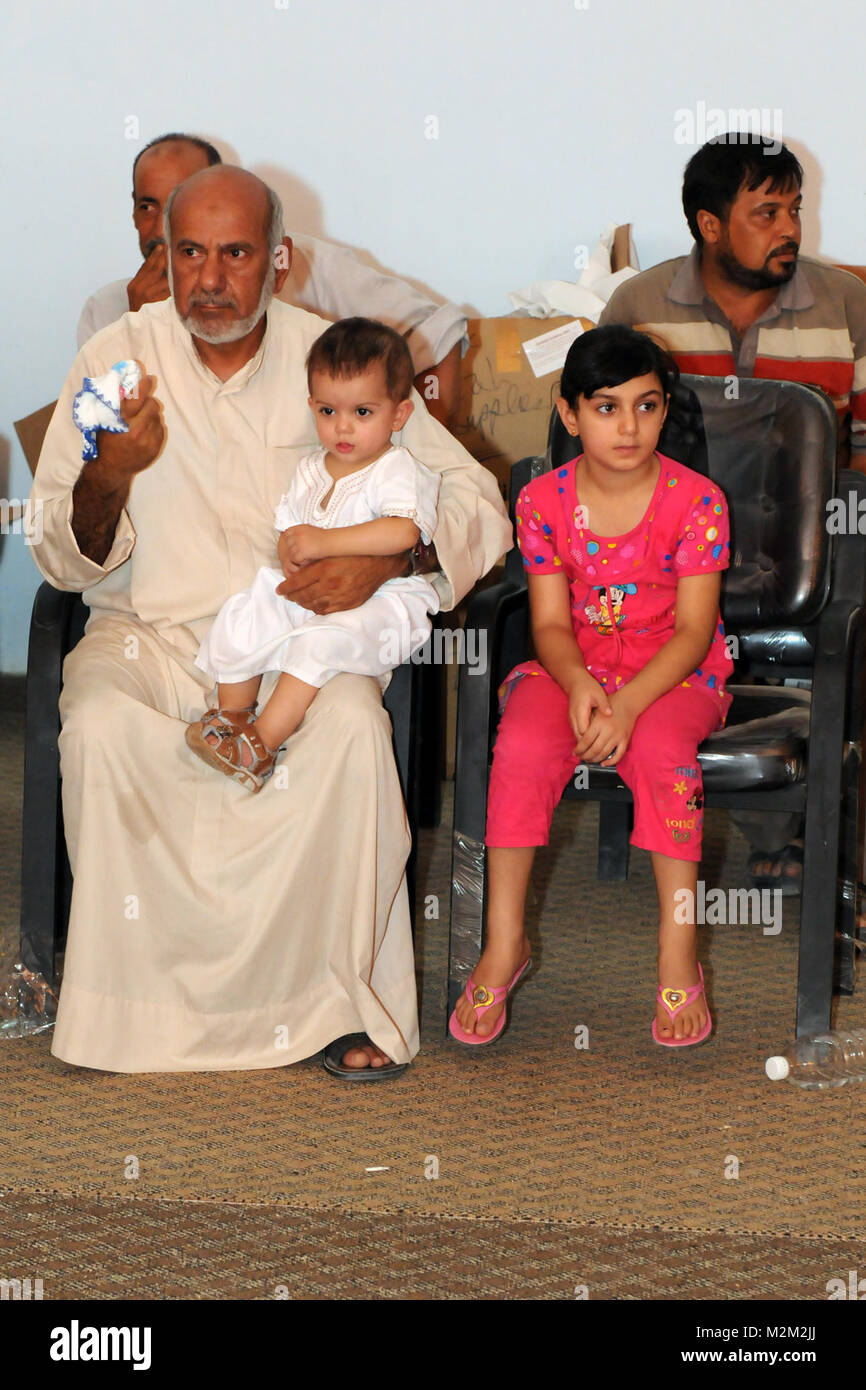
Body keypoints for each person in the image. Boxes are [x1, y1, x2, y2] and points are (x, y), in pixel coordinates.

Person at [31, 164, 512, 1080]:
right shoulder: (114, 363)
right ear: (162, 256)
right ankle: (126, 1015)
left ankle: (333, 1007)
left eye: (237, 253)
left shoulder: (334, 357)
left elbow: (474, 499)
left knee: (354, 737)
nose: (210, 279)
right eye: (190, 253)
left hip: (296, 644)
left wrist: (389, 561)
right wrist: (108, 474)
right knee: (98, 723)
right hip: (149, 634)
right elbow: (56, 546)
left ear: (279, 259)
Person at [449, 326, 734, 1048]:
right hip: (570, 664)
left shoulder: (698, 502)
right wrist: (577, 683)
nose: (629, 427)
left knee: (667, 755)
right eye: (606, 408)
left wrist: (632, 703)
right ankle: (504, 943)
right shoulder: (543, 499)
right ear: (570, 413)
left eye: (646, 406)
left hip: (672, 671)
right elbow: (547, 622)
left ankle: (678, 953)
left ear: (666, 410)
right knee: (519, 749)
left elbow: (695, 632)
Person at [600, 134, 866, 892]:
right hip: (670, 549)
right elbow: (600, 441)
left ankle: (838, 851)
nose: (789, 229)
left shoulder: (846, 302)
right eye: (767, 212)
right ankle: (774, 832)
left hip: (813, 541)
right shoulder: (637, 307)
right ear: (710, 225)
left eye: (795, 210)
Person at [187, 317, 440, 790]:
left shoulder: (398, 468)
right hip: (312, 593)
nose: (342, 427)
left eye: (362, 413)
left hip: (382, 603)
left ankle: (260, 744)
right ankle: (231, 718)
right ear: (312, 407)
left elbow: (404, 531)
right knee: (249, 607)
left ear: (399, 415)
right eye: (327, 411)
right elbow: (290, 529)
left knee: (320, 640)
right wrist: (289, 548)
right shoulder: (309, 469)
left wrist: (324, 543)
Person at [76, 132, 466, 426]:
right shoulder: (107, 311)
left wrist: (401, 465)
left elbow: (436, 330)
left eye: (187, 196)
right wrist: (145, 330)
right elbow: (97, 449)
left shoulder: (304, 264)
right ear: (132, 213)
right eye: (149, 206)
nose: (166, 225)